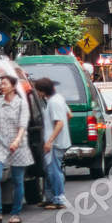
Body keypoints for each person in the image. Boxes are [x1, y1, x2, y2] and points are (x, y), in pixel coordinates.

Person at [0, 73, 32, 223]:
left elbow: (23, 126)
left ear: (12, 86)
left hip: (18, 145)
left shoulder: (21, 104)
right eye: (0, 84)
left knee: (17, 180)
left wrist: (16, 141)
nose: (1, 86)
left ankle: (15, 213)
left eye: (4, 83)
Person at [36, 78, 69, 211]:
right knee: (50, 170)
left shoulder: (54, 102)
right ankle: (50, 198)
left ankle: (59, 199)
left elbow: (59, 123)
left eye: (38, 90)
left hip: (55, 143)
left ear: (43, 91)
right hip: (59, 140)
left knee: (54, 171)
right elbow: (69, 114)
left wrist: (50, 140)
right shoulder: (58, 98)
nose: (37, 92)